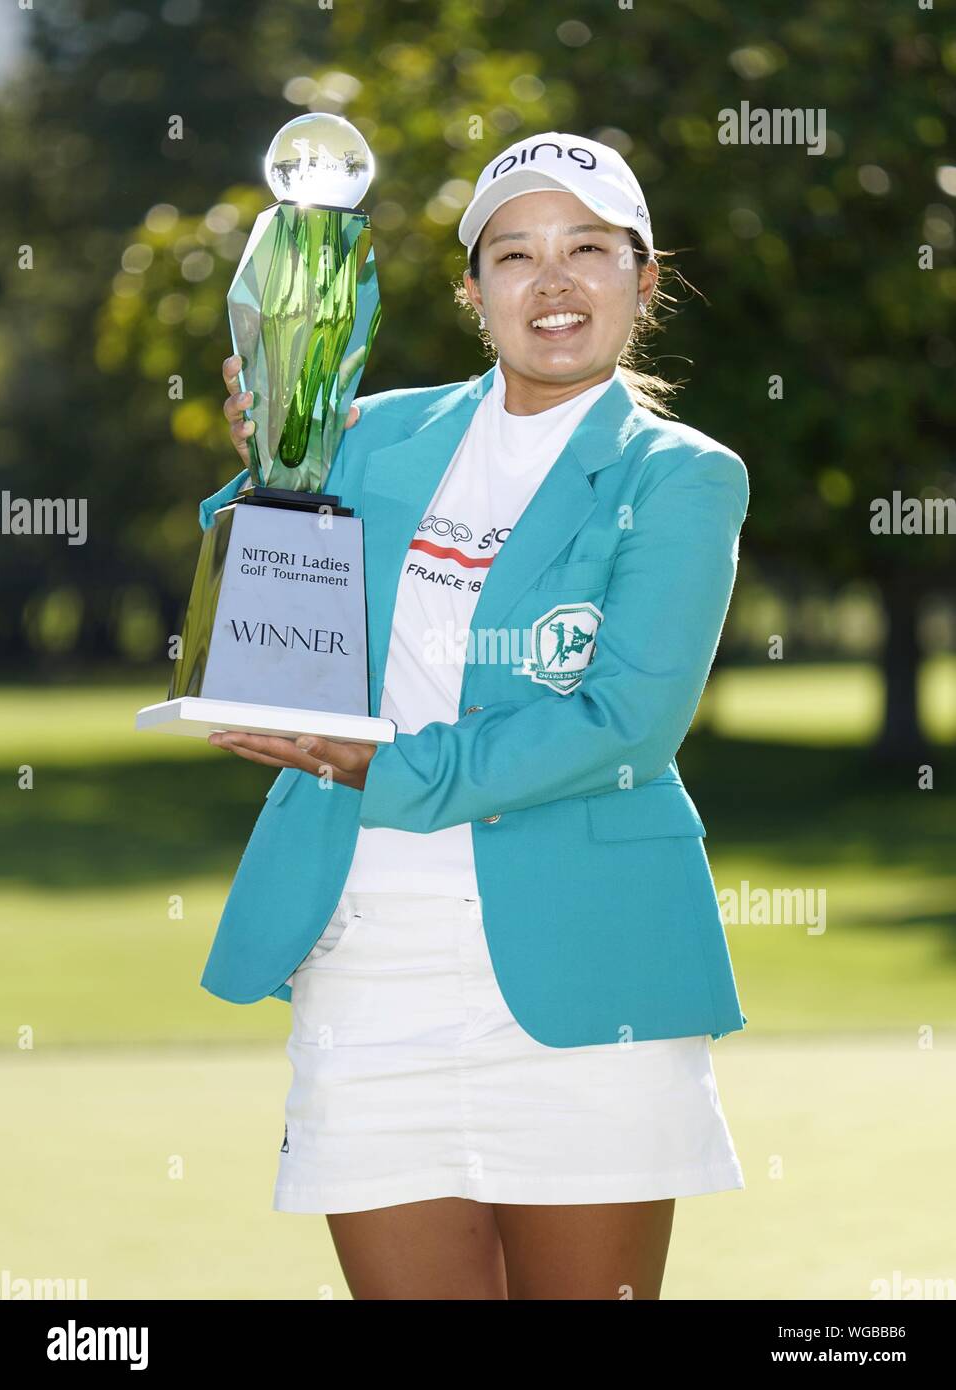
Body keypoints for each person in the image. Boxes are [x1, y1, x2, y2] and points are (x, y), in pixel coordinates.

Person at [204, 131, 750, 1300]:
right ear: (473, 291)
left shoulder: (681, 474)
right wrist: (273, 442)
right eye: (514, 255)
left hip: (589, 969)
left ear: (642, 282)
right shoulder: (372, 429)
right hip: (370, 965)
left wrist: (376, 765)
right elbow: (260, 576)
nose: (551, 281)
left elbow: (624, 724)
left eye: (587, 249)